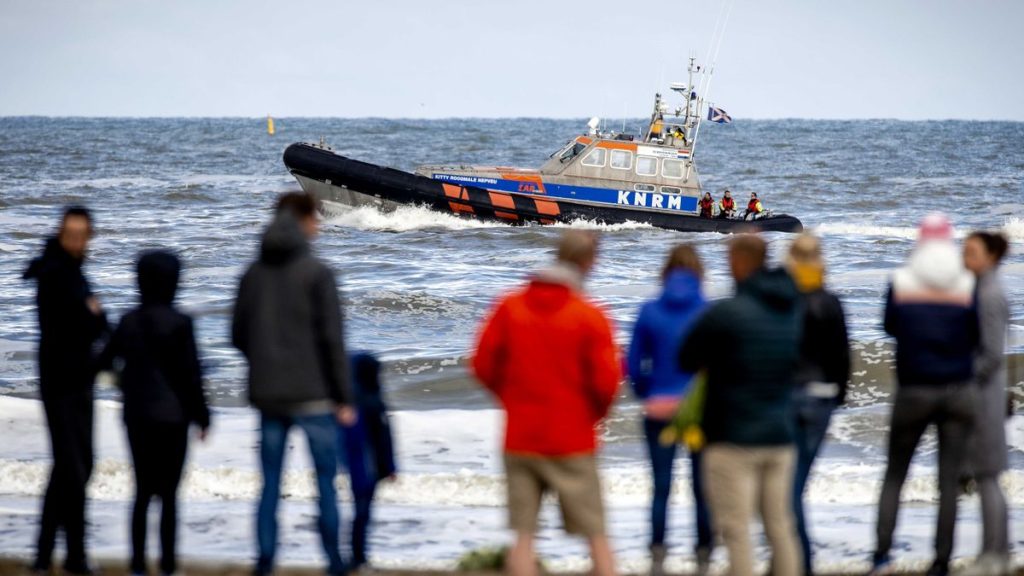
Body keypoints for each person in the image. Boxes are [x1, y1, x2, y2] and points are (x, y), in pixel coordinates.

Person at [472, 230, 621, 576]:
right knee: (596, 534)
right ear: (589, 263)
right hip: (572, 438)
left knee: (524, 536)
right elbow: (606, 383)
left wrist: (510, 398)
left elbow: (482, 364)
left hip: (521, 435)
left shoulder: (510, 306)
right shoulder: (589, 316)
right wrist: (591, 417)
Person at [232, 192, 356, 576]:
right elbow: (333, 341)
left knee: (269, 484)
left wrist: (266, 363)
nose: (318, 227)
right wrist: (344, 397)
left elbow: (237, 334)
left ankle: (265, 562)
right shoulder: (318, 273)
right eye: (316, 220)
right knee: (324, 483)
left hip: (268, 394)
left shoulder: (253, 273)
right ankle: (334, 561)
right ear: (303, 221)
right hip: (314, 396)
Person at [678, 234, 804, 576]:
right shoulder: (791, 311)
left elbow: (686, 358)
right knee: (781, 528)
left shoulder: (727, 313)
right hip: (780, 435)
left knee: (736, 532)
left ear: (739, 261)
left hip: (732, 437)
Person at [871, 213, 978, 576]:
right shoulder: (966, 282)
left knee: (895, 474)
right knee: (948, 481)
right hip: (956, 390)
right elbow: (977, 334)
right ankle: (942, 561)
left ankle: (882, 555)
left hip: (914, 388)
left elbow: (888, 325)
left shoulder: (901, 279)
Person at [98, 250, 210, 576]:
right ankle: (168, 565)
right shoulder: (181, 323)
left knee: (143, 490)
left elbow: (104, 362)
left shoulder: (129, 320)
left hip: (137, 416)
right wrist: (203, 417)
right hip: (174, 419)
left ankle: (136, 565)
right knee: (169, 495)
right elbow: (191, 377)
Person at [23, 206, 108, 576]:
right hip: (61, 382)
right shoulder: (56, 273)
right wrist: (92, 314)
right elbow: (83, 324)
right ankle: (67, 557)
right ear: (62, 235)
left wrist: (93, 316)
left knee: (75, 467)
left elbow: (92, 323)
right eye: (70, 234)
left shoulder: (70, 271)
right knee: (73, 467)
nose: (76, 240)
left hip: (79, 379)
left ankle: (53, 556)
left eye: (82, 234)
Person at [627, 245, 712, 576]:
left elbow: (633, 365)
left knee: (661, 486)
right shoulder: (707, 311)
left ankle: (657, 553)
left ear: (666, 270)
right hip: (698, 412)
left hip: (659, 409)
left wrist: (648, 393)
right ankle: (704, 552)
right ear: (699, 272)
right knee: (701, 486)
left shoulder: (649, 310)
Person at [785, 234, 850, 576]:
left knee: (789, 487)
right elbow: (842, 356)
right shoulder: (831, 301)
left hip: (789, 397)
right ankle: (793, 561)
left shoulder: (784, 300)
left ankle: (799, 563)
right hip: (822, 397)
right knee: (796, 482)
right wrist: (839, 396)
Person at [960, 231, 1012, 576]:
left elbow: (992, 354)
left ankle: (995, 555)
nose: (965, 257)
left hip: (985, 395)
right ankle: (993, 552)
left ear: (991, 256)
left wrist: (959, 374)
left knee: (988, 477)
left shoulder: (990, 294)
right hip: (985, 393)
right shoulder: (982, 288)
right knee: (986, 476)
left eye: (972, 252)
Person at [338, 352, 396, 571]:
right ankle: (358, 557)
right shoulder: (374, 402)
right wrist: (390, 467)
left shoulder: (349, 406)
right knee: (363, 512)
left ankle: (355, 556)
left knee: (359, 512)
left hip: (356, 466)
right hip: (368, 468)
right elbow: (384, 438)